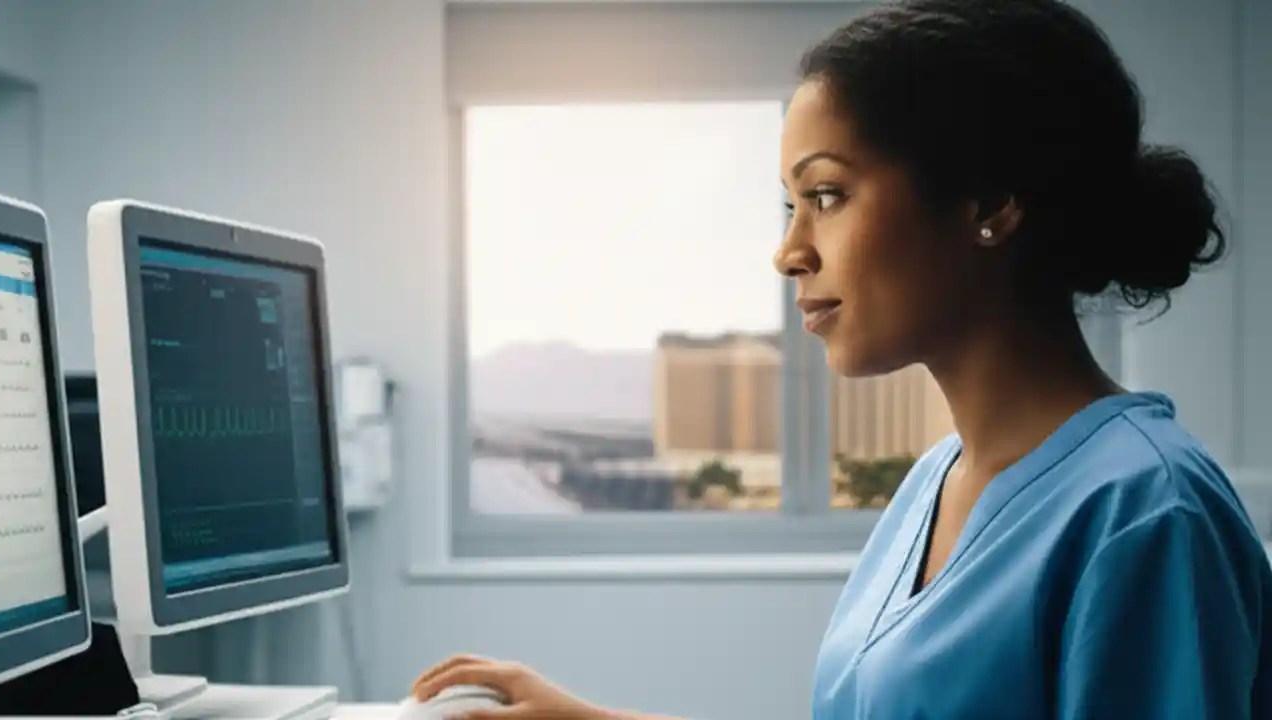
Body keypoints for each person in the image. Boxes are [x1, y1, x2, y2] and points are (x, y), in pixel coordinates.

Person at [410, 0, 1272, 717]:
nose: (789, 251)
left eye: (826, 196)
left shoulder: (1148, 515)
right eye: (790, 204)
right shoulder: (936, 481)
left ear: (990, 201)